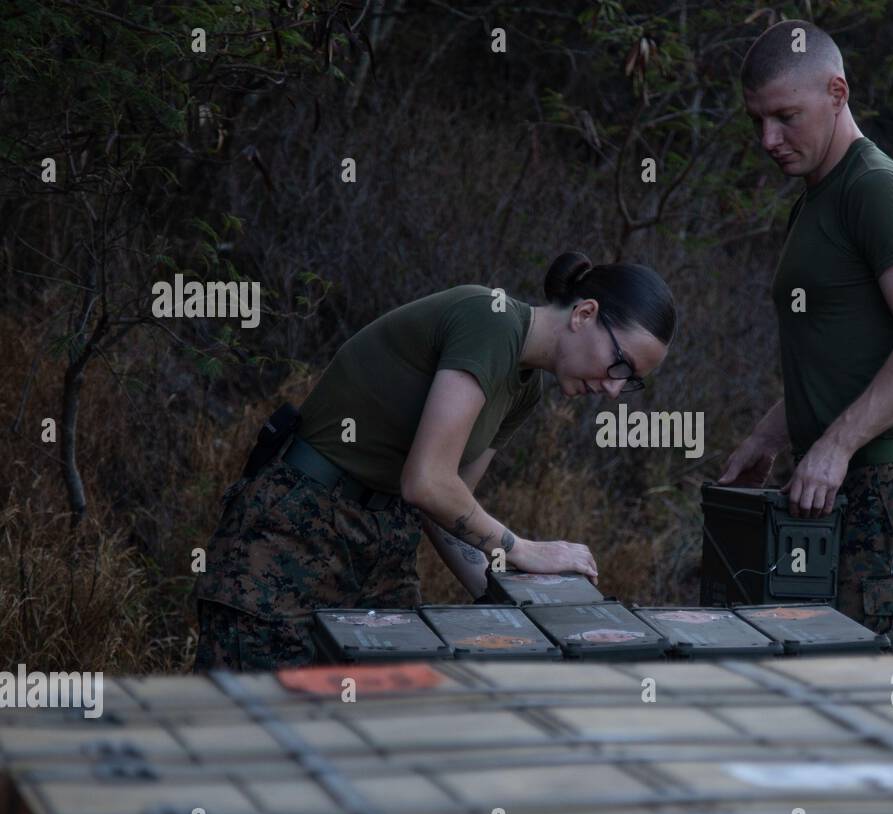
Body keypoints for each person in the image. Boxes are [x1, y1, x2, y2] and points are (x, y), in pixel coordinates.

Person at [193, 251, 676, 670]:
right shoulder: (492, 319)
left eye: (629, 381)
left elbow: (446, 509)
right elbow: (425, 482)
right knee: (250, 723)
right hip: (296, 529)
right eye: (621, 365)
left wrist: (514, 596)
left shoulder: (526, 390)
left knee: (379, 724)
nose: (614, 390)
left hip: (383, 545)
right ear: (584, 314)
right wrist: (521, 547)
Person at [718, 20, 893, 658]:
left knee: (865, 700)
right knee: (812, 696)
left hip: (890, 492)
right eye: (757, 121)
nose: (768, 139)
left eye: (785, 117)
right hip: (831, 489)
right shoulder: (815, 197)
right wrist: (770, 436)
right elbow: (842, 354)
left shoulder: (876, 189)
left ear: (837, 92)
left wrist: (837, 443)